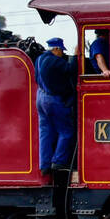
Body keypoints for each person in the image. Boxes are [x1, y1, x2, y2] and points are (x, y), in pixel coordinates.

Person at [35, 37, 77, 174]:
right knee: (66, 131)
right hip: (53, 99)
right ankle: (58, 161)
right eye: (61, 51)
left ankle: (44, 165)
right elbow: (71, 69)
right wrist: (75, 56)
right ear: (57, 49)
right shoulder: (55, 61)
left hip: (40, 97)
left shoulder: (40, 59)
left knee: (45, 132)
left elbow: (36, 78)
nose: (62, 54)